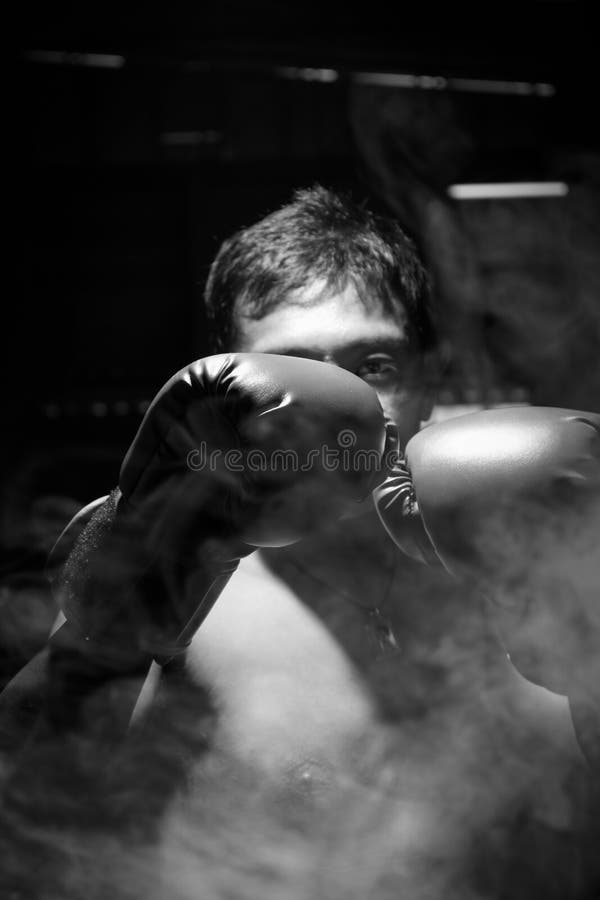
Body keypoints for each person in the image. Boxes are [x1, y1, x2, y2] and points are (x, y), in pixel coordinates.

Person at [2, 186, 597, 899]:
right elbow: (27, 823)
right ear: (233, 394)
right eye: (294, 369)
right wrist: (109, 624)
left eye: (373, 366)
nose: (337, 412)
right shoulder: (184, 595)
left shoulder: (532, 569)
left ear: (429, 382)